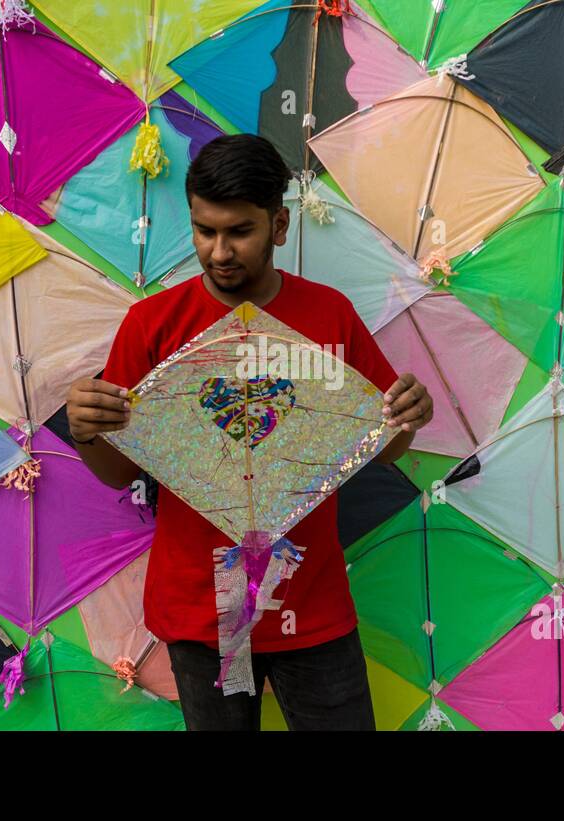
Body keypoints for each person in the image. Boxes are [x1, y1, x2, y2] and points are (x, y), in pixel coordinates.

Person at [65, 134, 432, 731]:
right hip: (200, 616)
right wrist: (87, 432)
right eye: (204, 230)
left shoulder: (328, 315)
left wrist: (408, 415)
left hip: (310, 608)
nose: (218, 251)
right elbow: (120, 472)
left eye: (239, 231)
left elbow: (382, 449)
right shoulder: (151, 324)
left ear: (280, 224)